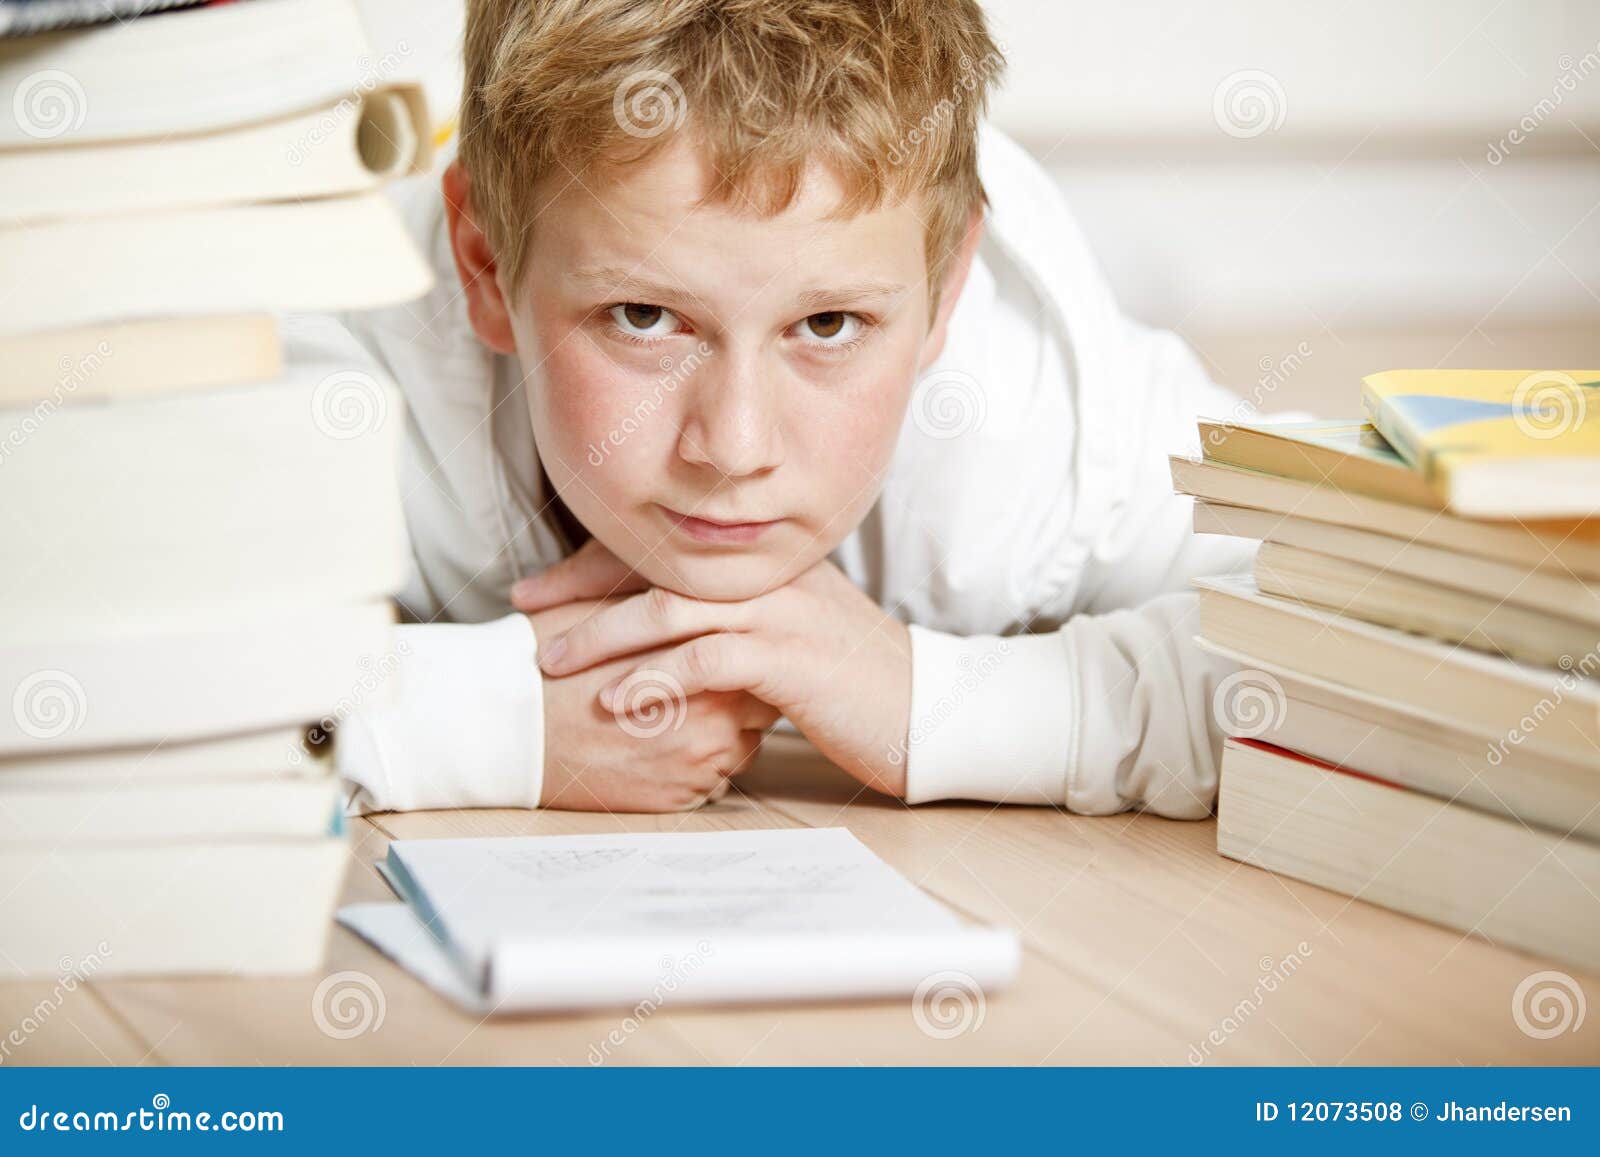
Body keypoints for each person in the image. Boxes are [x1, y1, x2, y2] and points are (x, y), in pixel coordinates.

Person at [289, 0, 1254, 816]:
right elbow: (139, 692)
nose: (735, 447)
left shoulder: (1041, 413)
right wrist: (490, 724)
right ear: (486, 266)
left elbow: (1384, 649)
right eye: (643, 316)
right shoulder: (350, 370)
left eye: (829, 324)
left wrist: (930, 698)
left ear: (946, 286)